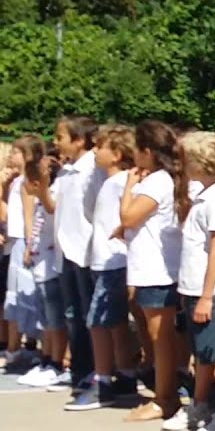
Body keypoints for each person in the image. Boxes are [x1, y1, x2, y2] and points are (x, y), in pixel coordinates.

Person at [168, 132, 215, 431]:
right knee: (203, 353)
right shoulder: (204, 194)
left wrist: (207, 296)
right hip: (194, 287)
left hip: (212, 291)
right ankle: (198, 406)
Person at [67, 125, 141, 411]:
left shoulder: (120, 183)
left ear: (117, 154)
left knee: (98, 322)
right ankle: (125, 375)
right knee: (115, 324)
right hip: (106, 259)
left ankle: (103, 381)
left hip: (114, 260)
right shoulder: (109, 181)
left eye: (101, 147)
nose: (96, 151)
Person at [115, 120, 185, 422]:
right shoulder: (162, 179)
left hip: (158, 269)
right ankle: (165, 393)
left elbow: (129, 216)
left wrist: (130, 185)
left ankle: (165, 398)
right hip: (150, 268)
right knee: (158, 336)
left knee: (161, 337)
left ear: (147, 151)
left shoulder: (157, 181)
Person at [50, 116, 104, 392]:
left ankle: (96, 368)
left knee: (87, 314)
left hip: (85, 251)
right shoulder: (66, 172)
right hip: (66, 251)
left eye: (61, 137)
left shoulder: (91, 172)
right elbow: (55, 207)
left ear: (79, 140)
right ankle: (79, 370)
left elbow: (97, 213)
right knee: (72, 313)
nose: (55, 142)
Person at [17, 144, 67, 389]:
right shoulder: (39, 201)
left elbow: (52, 209)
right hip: (39, 265)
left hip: (50, 266)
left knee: (55, 319)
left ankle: (57, 362)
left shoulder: (50, 195)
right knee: (47, 318)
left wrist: (43, 188)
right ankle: (47, 358)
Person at [4, 136, 43, 370]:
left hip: (24, 241)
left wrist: (30, 244)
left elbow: (30, 216)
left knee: (26, 295)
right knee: (15, 297)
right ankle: (13, 348)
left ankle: (17, 348)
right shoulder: (16, 181)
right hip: (15, 240)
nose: (12, 156)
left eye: (17, 152)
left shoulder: (29, 180)